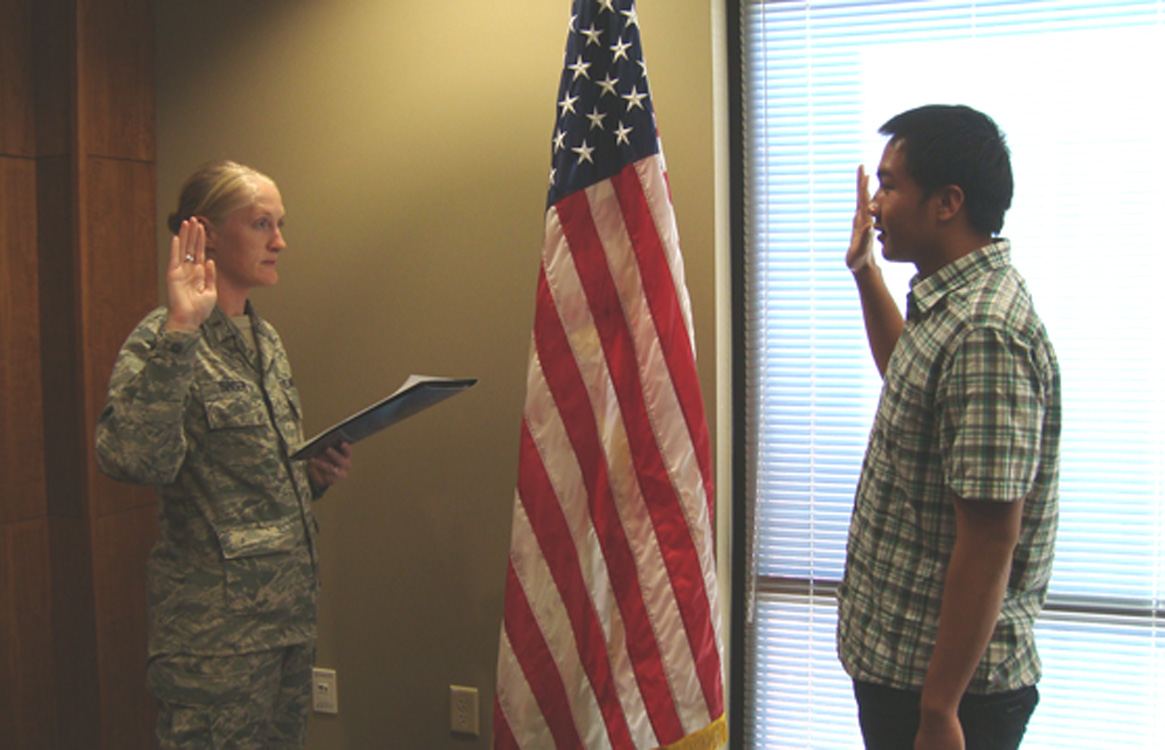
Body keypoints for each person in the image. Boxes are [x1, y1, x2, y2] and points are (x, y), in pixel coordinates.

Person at [95, 160, 353, 749]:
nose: (280, 241)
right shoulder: (165, 339)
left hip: (286, 623)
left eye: (280, 224)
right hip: (216, 642)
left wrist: (311, 477)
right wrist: (184, 328)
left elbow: (245, 481)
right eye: (261, 223)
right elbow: (133, 458)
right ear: (206, 232)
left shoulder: (266, 341)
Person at [836, 105, 1061, 750]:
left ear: (947, 202)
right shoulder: (951, 305)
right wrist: (864, 272)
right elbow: (908, 378)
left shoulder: (987, 331)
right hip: (906, 673)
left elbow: (990, 537)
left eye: (891, 184)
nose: (875, 205)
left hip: (947, 698)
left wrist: (940, 709)